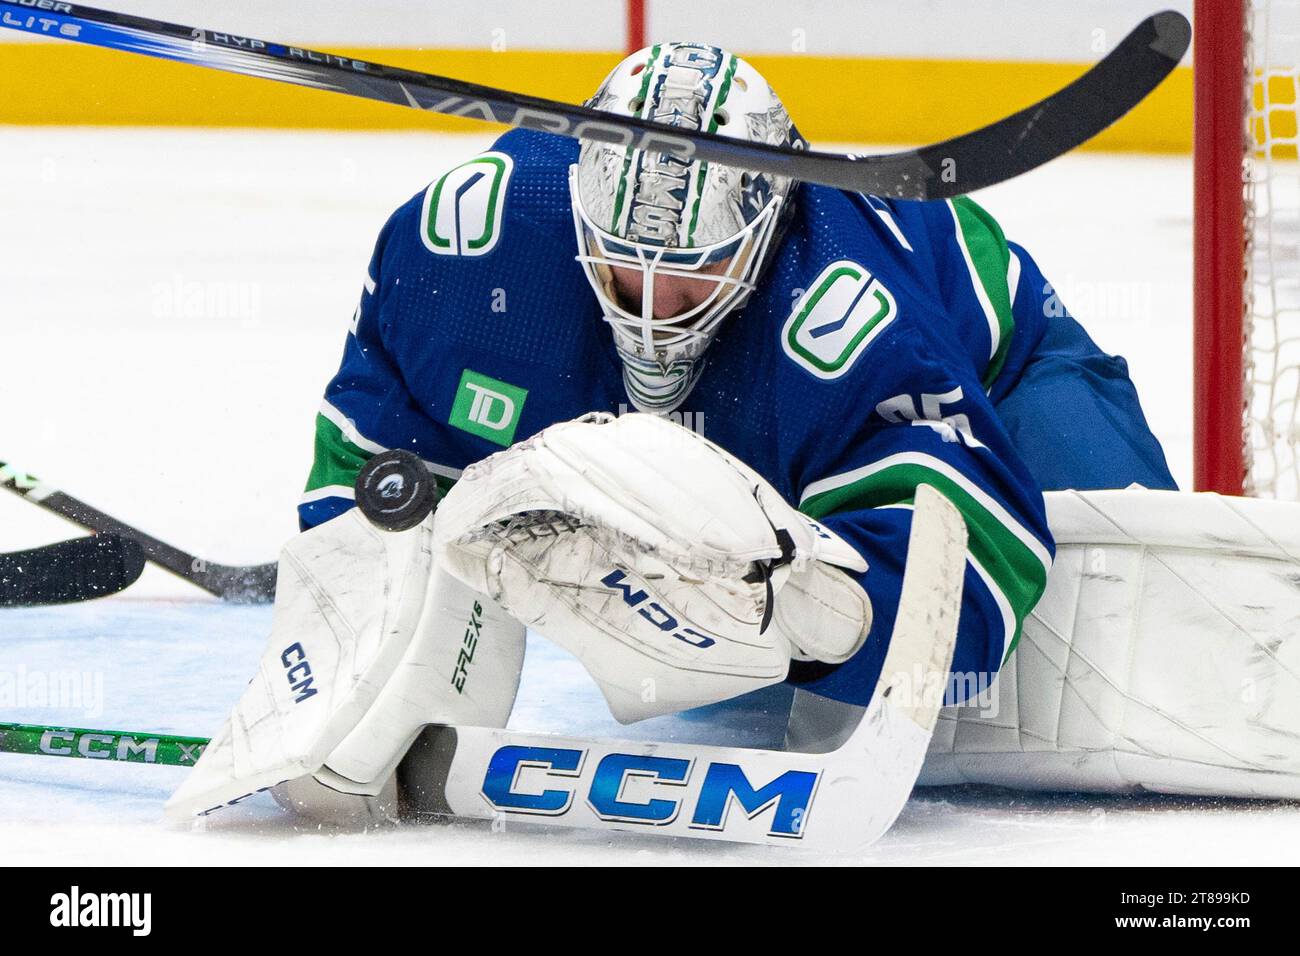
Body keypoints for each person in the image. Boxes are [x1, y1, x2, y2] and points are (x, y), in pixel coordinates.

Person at [167, 43, 1176, 820]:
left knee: (1141, 620)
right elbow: (373, 453)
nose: (651, 307)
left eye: (690, 272)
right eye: (621, 265)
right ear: (576, 214)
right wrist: (351, 638)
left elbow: (974, 544)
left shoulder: (843, 308)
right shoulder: (471, 247)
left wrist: (817, 619)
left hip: (1006, 364)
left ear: (765, 227)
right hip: (761, 400)